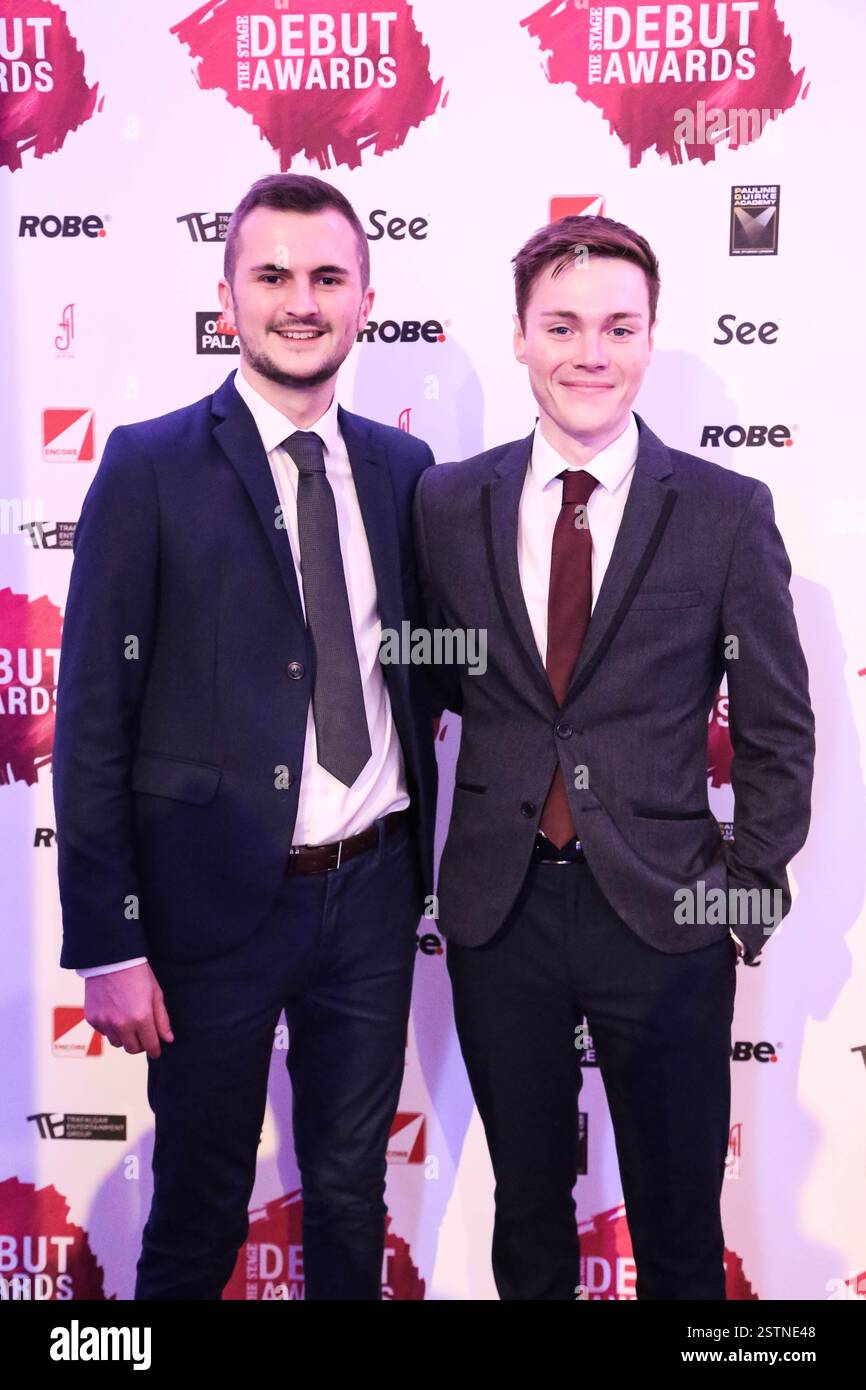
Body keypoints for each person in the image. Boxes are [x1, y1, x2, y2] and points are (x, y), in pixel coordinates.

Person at [413, 214, 815, 1300]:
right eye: (562, 325)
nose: (589, 351)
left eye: (616, 327)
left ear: (646, 339)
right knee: (527, 1214)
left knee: (678, 1221)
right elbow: (436, 683)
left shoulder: (725, 512)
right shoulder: (449, 502)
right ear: (519, 337)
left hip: (669, 906)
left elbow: (776, 718)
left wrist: (747, 886)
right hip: (502, 909)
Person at [52, 172, 438, 1301]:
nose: (299, 301)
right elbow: (90, 724)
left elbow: (429, 675)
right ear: (228, 298)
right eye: (271, 276)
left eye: (326, 277)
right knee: (203, 1200)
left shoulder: (402, 472)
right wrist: (107, 941)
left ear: (365, 298)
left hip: (369, 896)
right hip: (209, 907)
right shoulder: (149, 464)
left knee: (352, 1192)